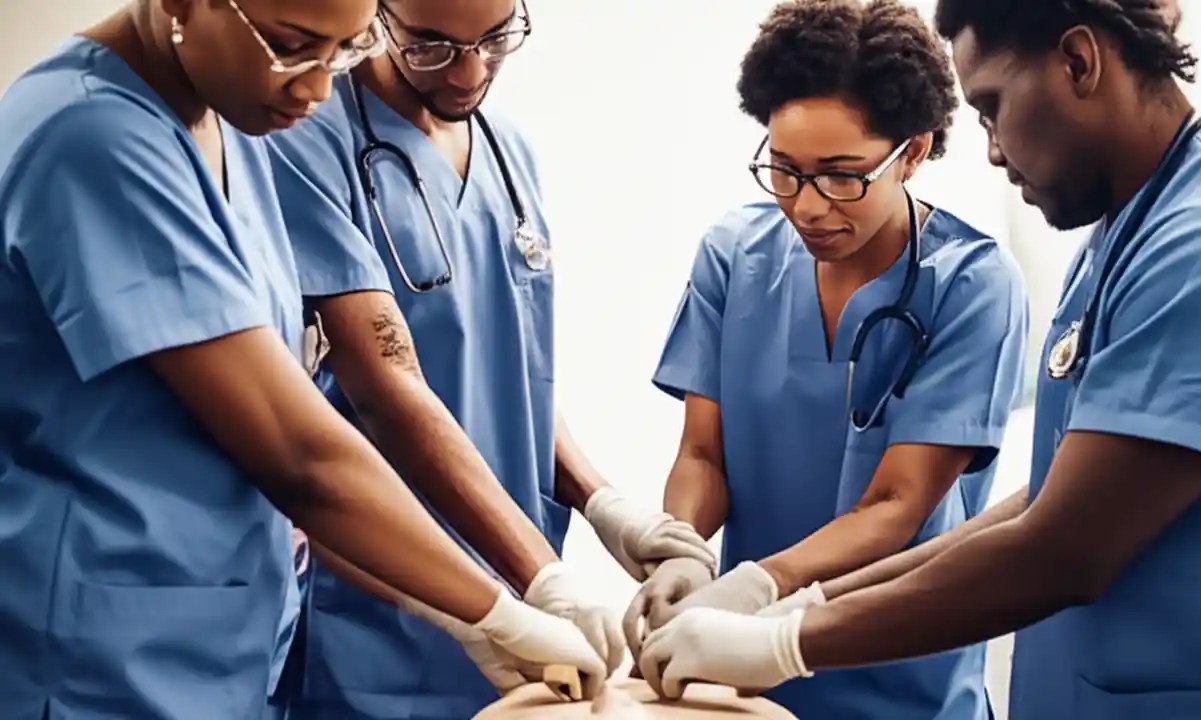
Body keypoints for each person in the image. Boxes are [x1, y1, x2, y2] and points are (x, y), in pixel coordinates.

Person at [638, 2, 1201, 719]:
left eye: (991, 107)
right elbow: (1044, 500)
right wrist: (778, 598)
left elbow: (1062, 550)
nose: (994, 151)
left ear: (1078, 62)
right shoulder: (1125, 236)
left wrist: (786, 640)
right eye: (786, 171)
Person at [0, 1, 615, 718]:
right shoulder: (93, 138)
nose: (318, 88)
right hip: (99, 663)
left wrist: (463, 607)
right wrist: (497, 610)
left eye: (346, 51)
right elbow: (295, 451)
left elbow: (272, 478)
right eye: (293, 46)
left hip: (224, 647)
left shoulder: (236, 126)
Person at [264, 0, 717, 717]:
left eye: (495, 39)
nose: (470, 71)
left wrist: (606, 506)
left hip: (524, 596)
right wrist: (542, 579)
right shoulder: (308, 140)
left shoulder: (510, 152)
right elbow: (387, 383)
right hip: (392, 597)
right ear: (377, 16)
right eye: (433, 45)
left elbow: (513, 375)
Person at [624, 0, 1029, 717]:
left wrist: (757, 587)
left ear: (910, 153)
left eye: (842, 175)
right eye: (784, 170)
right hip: (742, 678)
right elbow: (703, 455)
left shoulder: (971, 285)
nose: (806, 206)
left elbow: (897, 502)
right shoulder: (734, 255)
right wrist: (683, 551)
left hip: (902, 670)